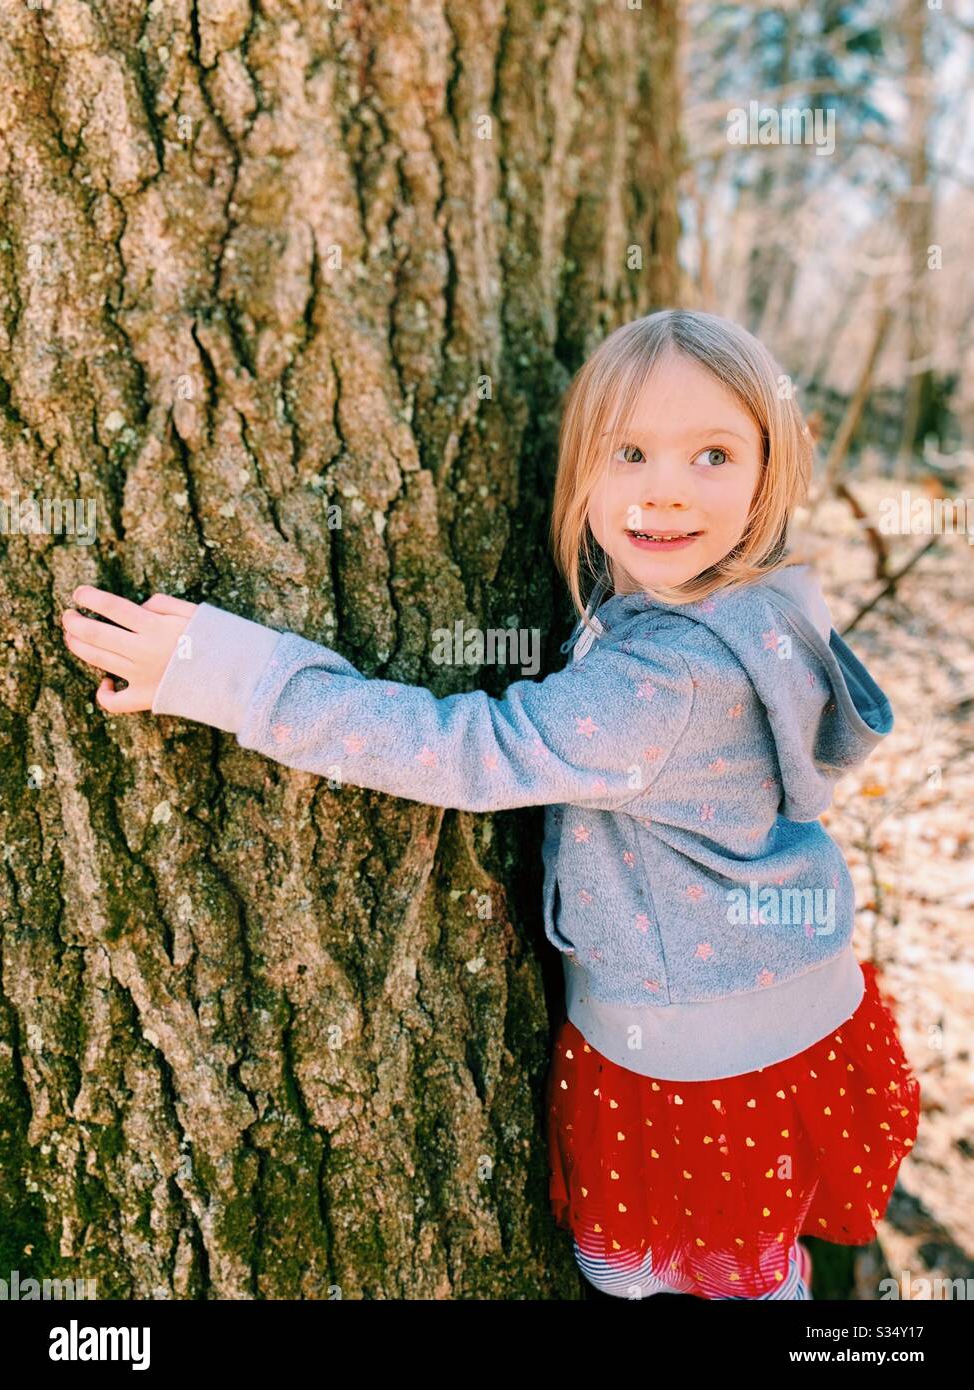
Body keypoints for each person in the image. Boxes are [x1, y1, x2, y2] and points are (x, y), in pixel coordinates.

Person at [59, 308, 920, 1301]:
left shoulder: (665, 683)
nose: (666, 488)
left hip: (696, 1070)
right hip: (786, 1019)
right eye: (629, 451)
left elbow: (461, 752)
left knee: (677, 1279)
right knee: (752, 1268)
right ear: (582, 472)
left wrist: (227, 674)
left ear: (770, 470)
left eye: (714, 454)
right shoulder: (760, 607)